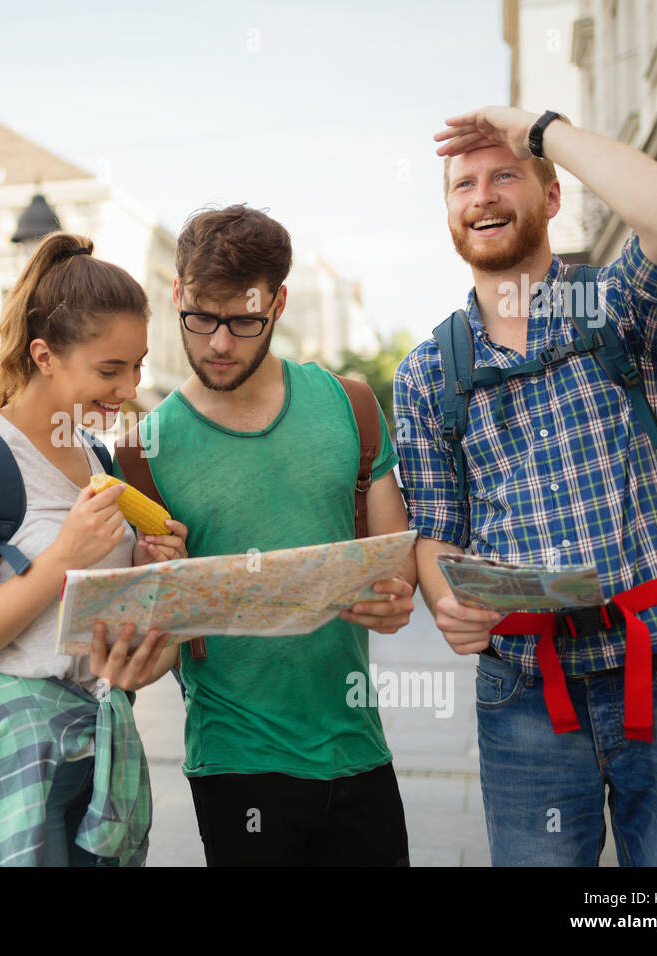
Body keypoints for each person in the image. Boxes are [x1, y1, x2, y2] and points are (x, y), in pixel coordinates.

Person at [394, 105, 657, 865]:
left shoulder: (615, 308)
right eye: (463, 185)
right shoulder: (425, 374)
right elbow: (436, 531)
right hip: (525, 698)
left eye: (506, 176)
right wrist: (444, 601)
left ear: (550, 197)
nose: (482, 195)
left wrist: (542, 130)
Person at [121, 205, 418, 867]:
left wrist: (397, 596)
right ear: (176, 295)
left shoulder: (351, 407)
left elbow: (396, 566)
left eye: (244, 320)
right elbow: (146, 631)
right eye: (201, 316)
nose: (219, 343)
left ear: (279, 303)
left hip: (357, 747)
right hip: (236, 760)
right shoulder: (141, 452)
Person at [0, 232, 188, 867]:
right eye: (109, 370)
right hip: (5, 762)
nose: (128, 387)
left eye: (136, 365)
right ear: (44, 355)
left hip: (94, 755)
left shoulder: (96, 457)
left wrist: (147, 571)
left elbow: (93, 627)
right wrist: (62, 560)